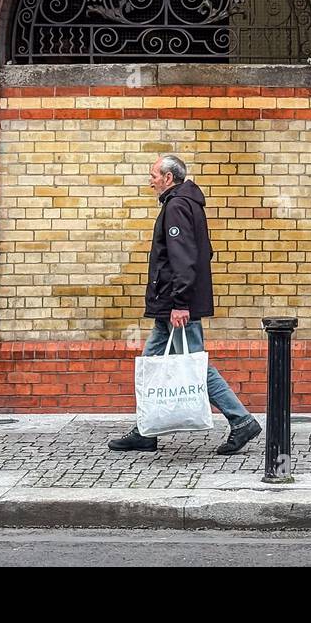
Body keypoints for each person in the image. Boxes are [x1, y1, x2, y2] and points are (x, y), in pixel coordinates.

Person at [109, 154, 262, 455]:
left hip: (177, 307)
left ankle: (241, 420)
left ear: (168, 178)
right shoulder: (185, 204)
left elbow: (184, 258)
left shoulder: (177, 206)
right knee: (152, 363)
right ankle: (146, 430)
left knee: (195, 366)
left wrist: (180, 302)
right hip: (169, 306)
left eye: (153, 174)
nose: (149, 179)